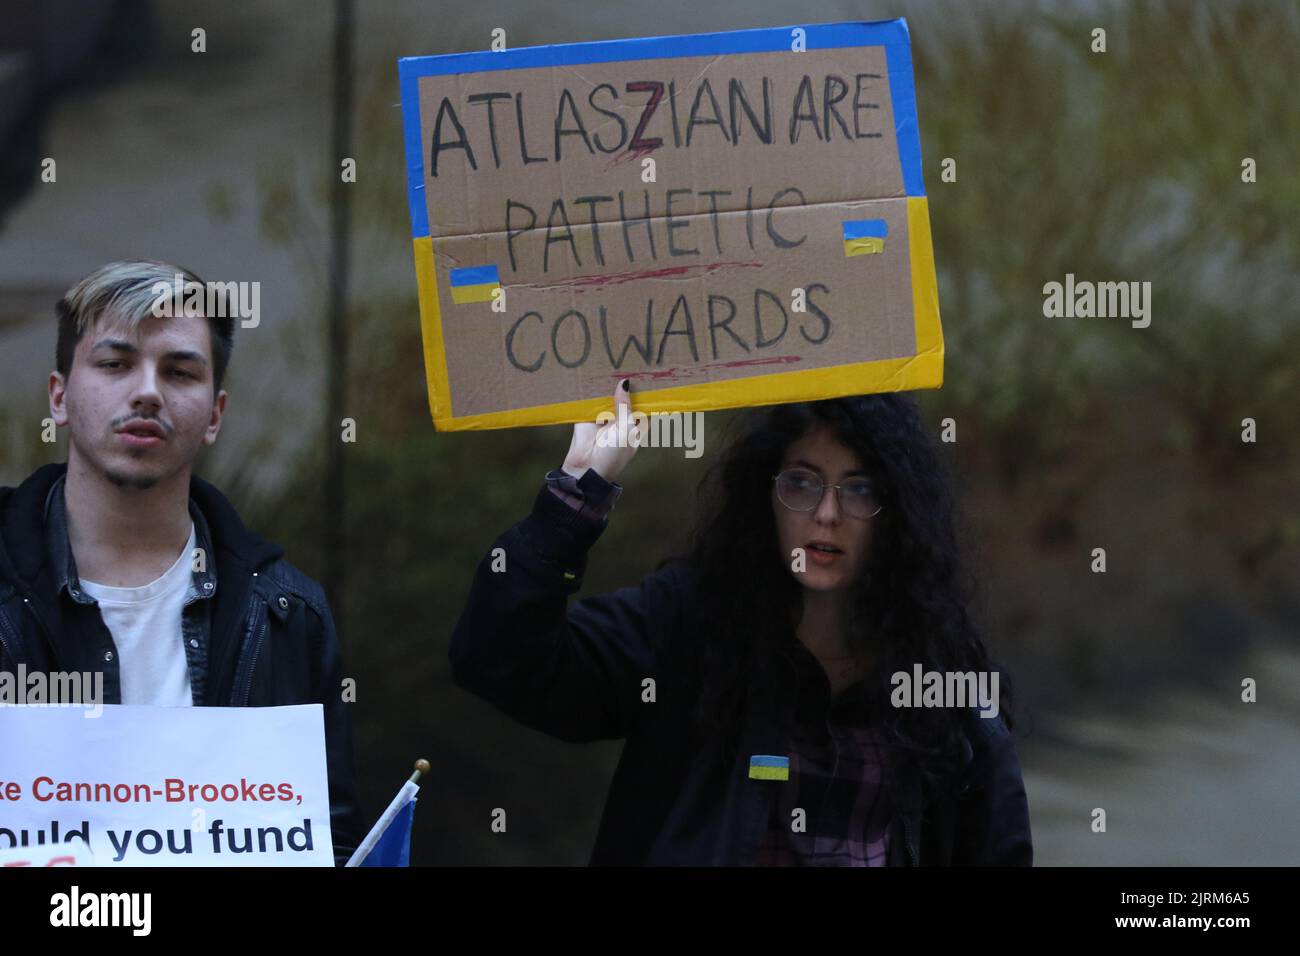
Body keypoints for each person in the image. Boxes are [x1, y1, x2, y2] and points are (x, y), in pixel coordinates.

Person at [450, 380, 1032, 866]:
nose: (826, 515)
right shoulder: (688, 627)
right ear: (767, 496)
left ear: (898, 513)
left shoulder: (942, 676)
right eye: (801, 482)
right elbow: (502, 662)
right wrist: (577, 492)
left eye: (859, 489)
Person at [0, 260, 365, 864]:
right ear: (59, 397)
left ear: (215, 414)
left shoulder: (284, 613)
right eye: (114, 364)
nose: (147, 390)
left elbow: (329, 837)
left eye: (179, 370)